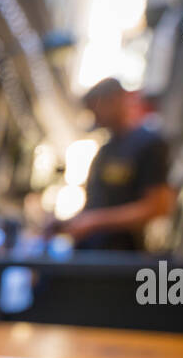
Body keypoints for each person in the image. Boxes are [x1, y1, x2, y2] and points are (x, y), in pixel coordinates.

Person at [58, 77, 173, 251]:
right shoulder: (105, 149)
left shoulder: (149, 143)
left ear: (115, 100)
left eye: (95, 108)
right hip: (89, 253)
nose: (93, 117)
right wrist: (70, 222)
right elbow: (99, 204)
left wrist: (95, 222)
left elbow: (158, 207)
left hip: (119, 258)